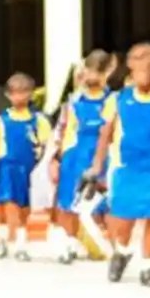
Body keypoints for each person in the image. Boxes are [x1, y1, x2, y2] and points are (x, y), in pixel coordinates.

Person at [88, 42, 150, 287]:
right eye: (142, 62)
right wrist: (96, 165)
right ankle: (121, 252)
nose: (148, 68)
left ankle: (148, 267)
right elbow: (105, 134)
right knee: (124, 219)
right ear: (131, 67)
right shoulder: (118, 100)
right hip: (126, 168)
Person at [51, 51, 117, 263]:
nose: (92, 76)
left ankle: (110, 244)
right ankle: (70, 243)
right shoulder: (73, 100)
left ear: (108, 72)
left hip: (103, 154)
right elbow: (61, 130)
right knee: (68, 199)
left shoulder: (114, 100)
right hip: (75, 154)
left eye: (98, 71)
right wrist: (55, 158)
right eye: (89, 70)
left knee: (103, 203)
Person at [0, 72, 52, 262]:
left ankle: (21, 243)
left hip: (29, 168)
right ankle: (2, 239)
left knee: (24, 207)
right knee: (6, 204)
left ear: (31, 93)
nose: (19, 97)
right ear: (8, 94)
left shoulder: (39, 121)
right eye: (15, 93)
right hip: (7, 168)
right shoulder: (0, 121)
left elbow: (47, 148)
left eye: (24, 92)